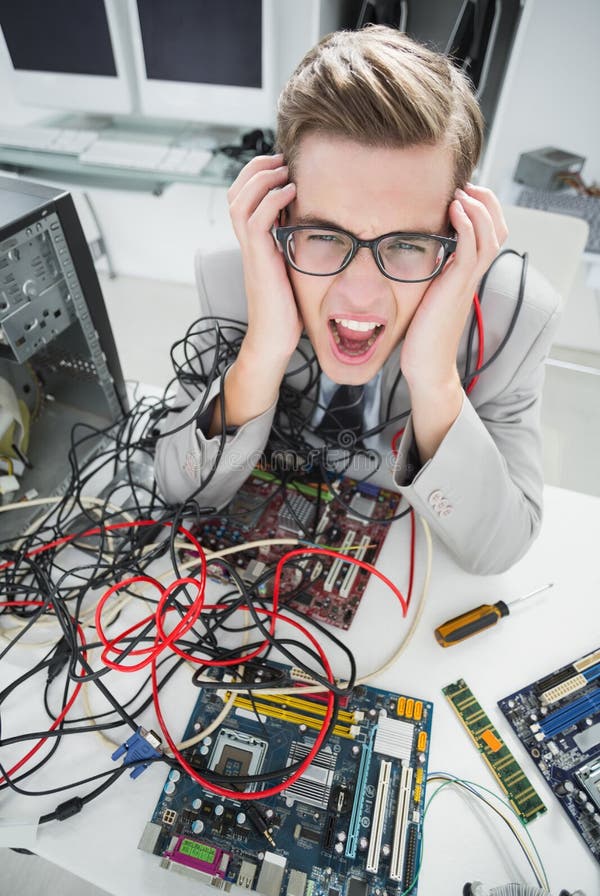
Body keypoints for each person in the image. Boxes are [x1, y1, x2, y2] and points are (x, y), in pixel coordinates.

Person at [155, 25, 561, 574]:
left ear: (459, 234)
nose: (361, 293)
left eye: (408, 244)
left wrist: (435, 379)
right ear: (280, 215)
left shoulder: (519, 318)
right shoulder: (233, 279)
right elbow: (181, 493)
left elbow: (498, 549)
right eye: (324, 235)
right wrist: (263, 351)